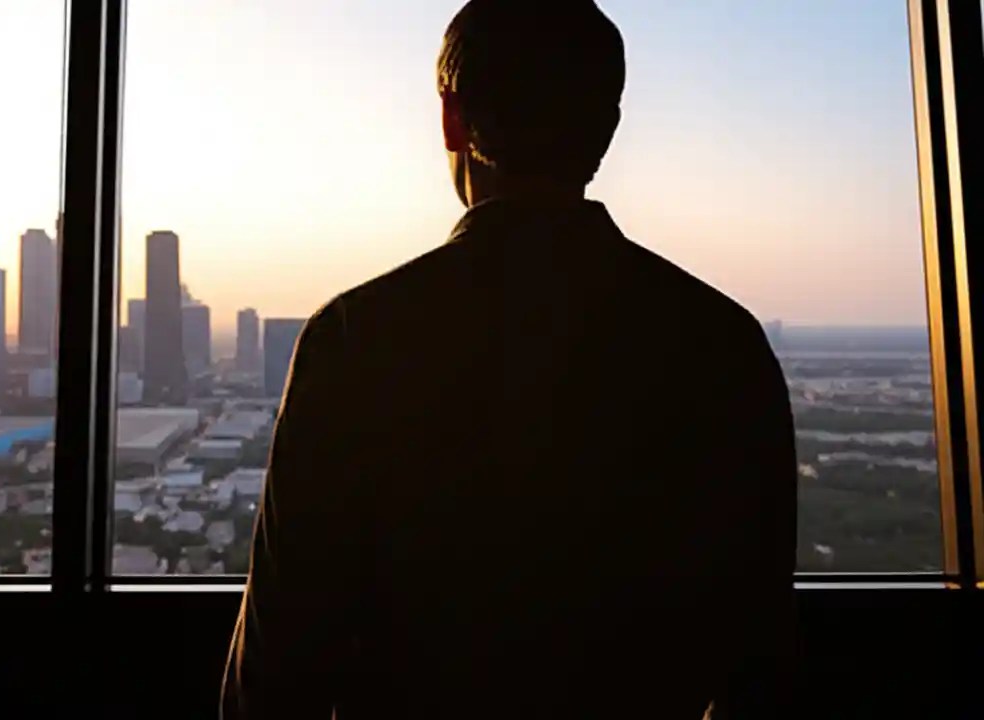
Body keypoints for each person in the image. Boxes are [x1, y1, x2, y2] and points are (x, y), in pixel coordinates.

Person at [221, 1, 798, 717]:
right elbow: (762, 657)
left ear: (450, 121)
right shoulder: (723, 344)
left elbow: (278, 666)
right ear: (606, 133)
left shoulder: (355, 339)